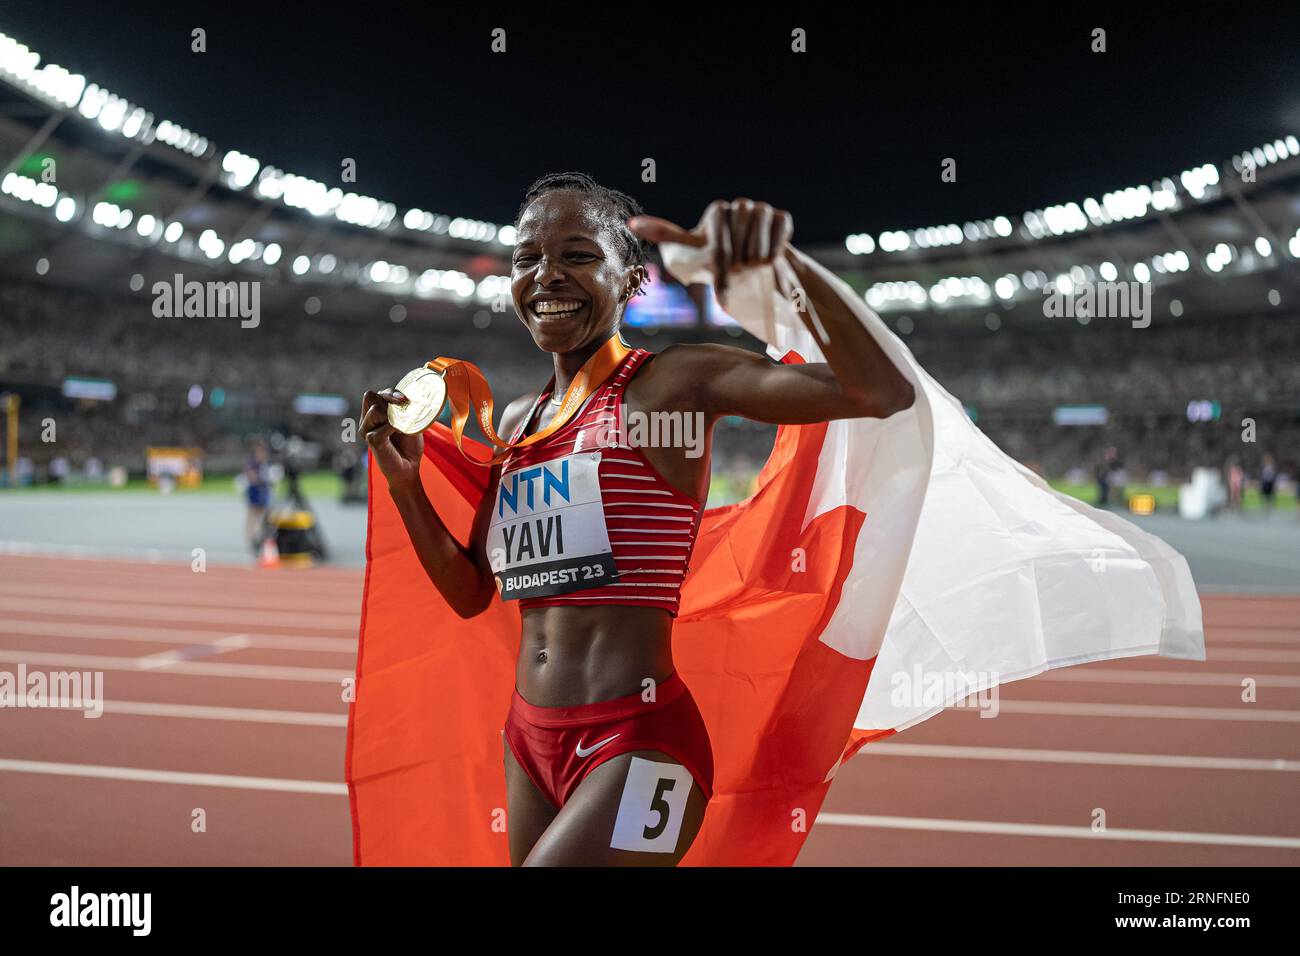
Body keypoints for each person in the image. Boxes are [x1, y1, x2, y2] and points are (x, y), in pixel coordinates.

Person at [359, 173, 914, 866]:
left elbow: (879, 391)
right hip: (529, 737)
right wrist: (405, 482)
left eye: (577, 255)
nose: (546, 274)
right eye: (527, 258)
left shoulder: (671, 385)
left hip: (639, 740)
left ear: (630, 280)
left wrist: (787, 272)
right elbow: (473, 592)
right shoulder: (516, 424)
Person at [243, 441, 271, 553]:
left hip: (263, 490)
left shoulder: (264, 462)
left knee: (263, 515)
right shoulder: (252, 462)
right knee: (252, 515)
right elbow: (251, 476)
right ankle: (251, 539)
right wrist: (260, 479)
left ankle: (260, 538)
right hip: (255, 490)